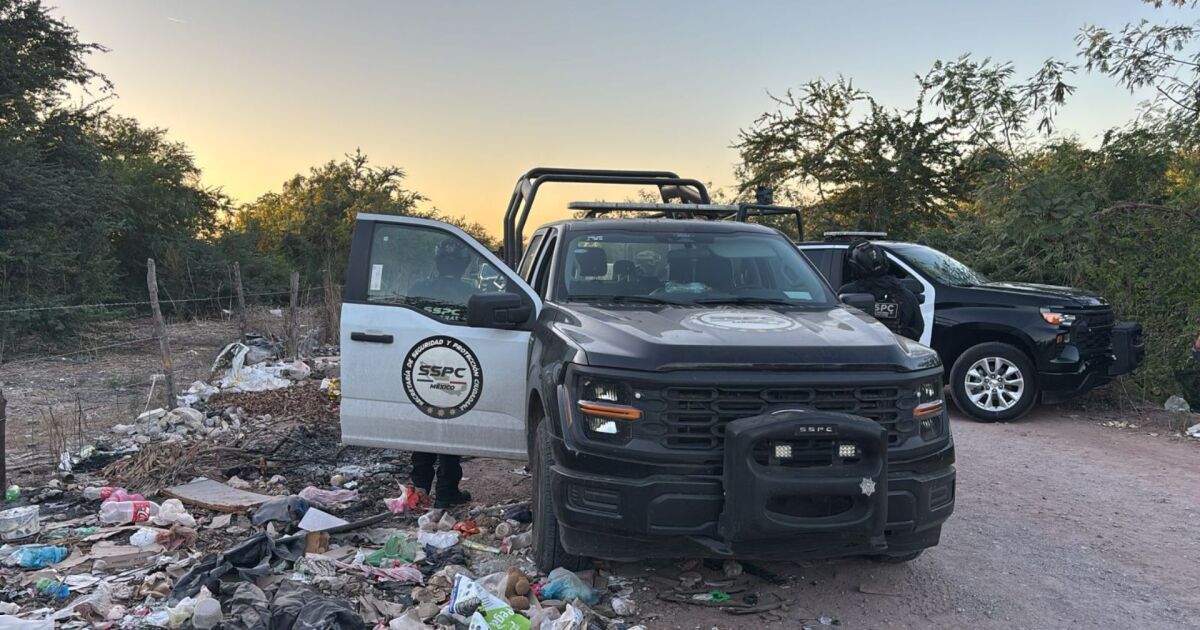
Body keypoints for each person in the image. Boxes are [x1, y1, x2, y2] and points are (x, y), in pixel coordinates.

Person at [407, 237, 476, 508]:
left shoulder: (418, 288)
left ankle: (420, 489)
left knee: (424, 423)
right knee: (451, 424)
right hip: (458, 368)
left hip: (422, 365)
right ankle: (447, 491)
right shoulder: (471, 293)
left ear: (437, 262)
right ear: (464, 266)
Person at [838, 239, 924, 341]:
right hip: (895, 353)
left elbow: (838, 329)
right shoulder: (905, 294)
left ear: (855, 266)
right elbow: (917, 329)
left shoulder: (847, 293)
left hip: (858, 353)